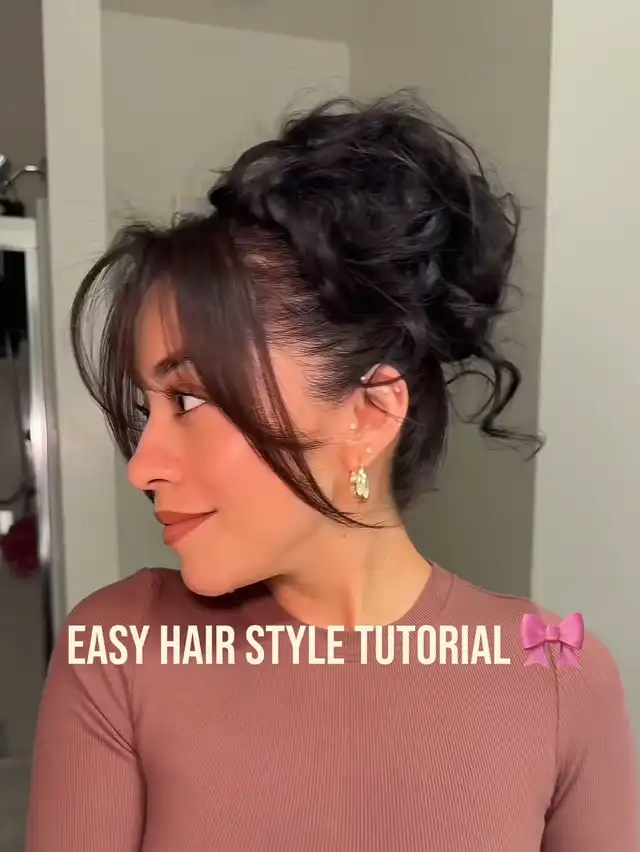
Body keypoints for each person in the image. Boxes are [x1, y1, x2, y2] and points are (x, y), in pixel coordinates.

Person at [26, 92, 636, 851]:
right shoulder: (118, 651)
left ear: (369, 414)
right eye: (147, 407)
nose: (142, 467)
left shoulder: (560, 678)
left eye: (189, 399)